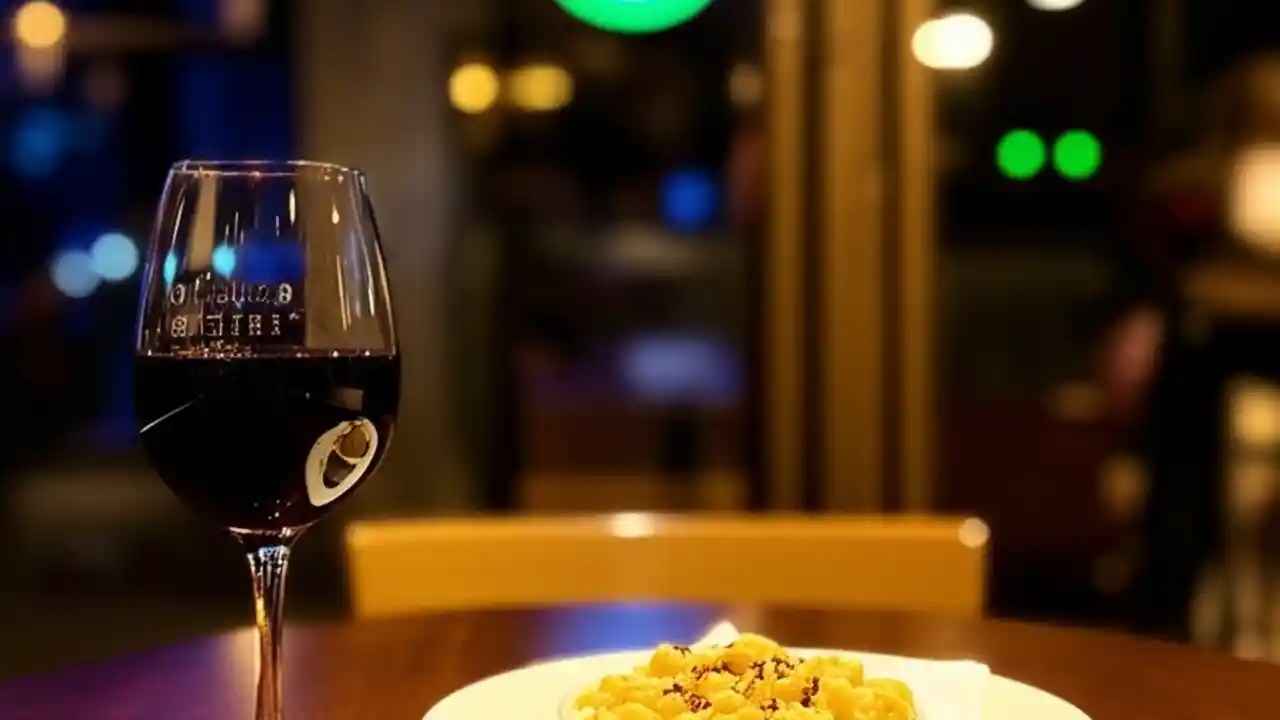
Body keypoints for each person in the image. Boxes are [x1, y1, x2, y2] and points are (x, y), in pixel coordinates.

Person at [1103, 53, 1280, 640]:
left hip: (1216, 350)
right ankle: (1172, 612)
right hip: (1211, 356)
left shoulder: (1204, 177)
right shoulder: (1201, 180)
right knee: (1187, 490)